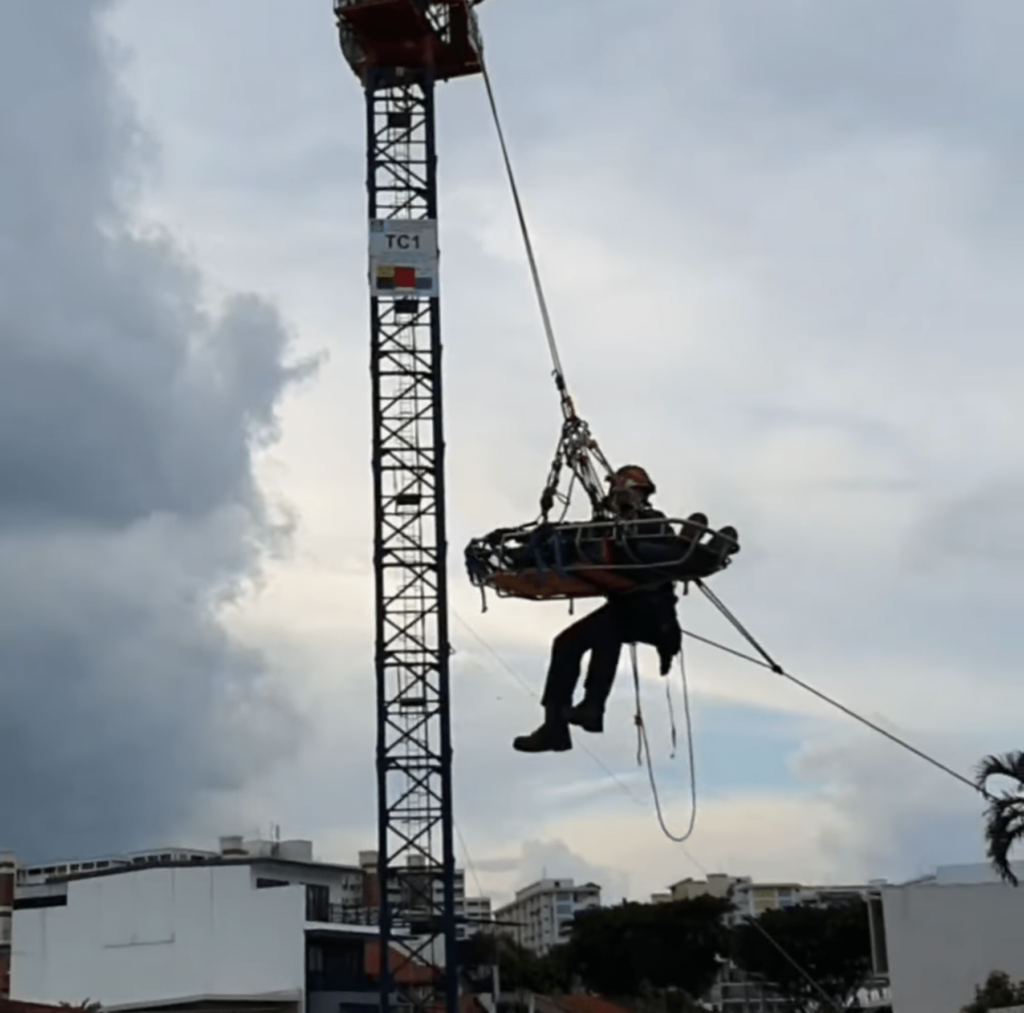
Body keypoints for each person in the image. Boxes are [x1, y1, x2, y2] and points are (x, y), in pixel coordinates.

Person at [513, 465, 685, 754]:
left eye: (620, 493)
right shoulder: (618, 525)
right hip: (632, 609)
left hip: (650, 610)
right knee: (594, 639)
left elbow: (645, 552)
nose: (615, 500)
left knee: (575, 642)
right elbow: (591, 538)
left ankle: (574, 718)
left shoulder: (651, 521)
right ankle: (579, 715)